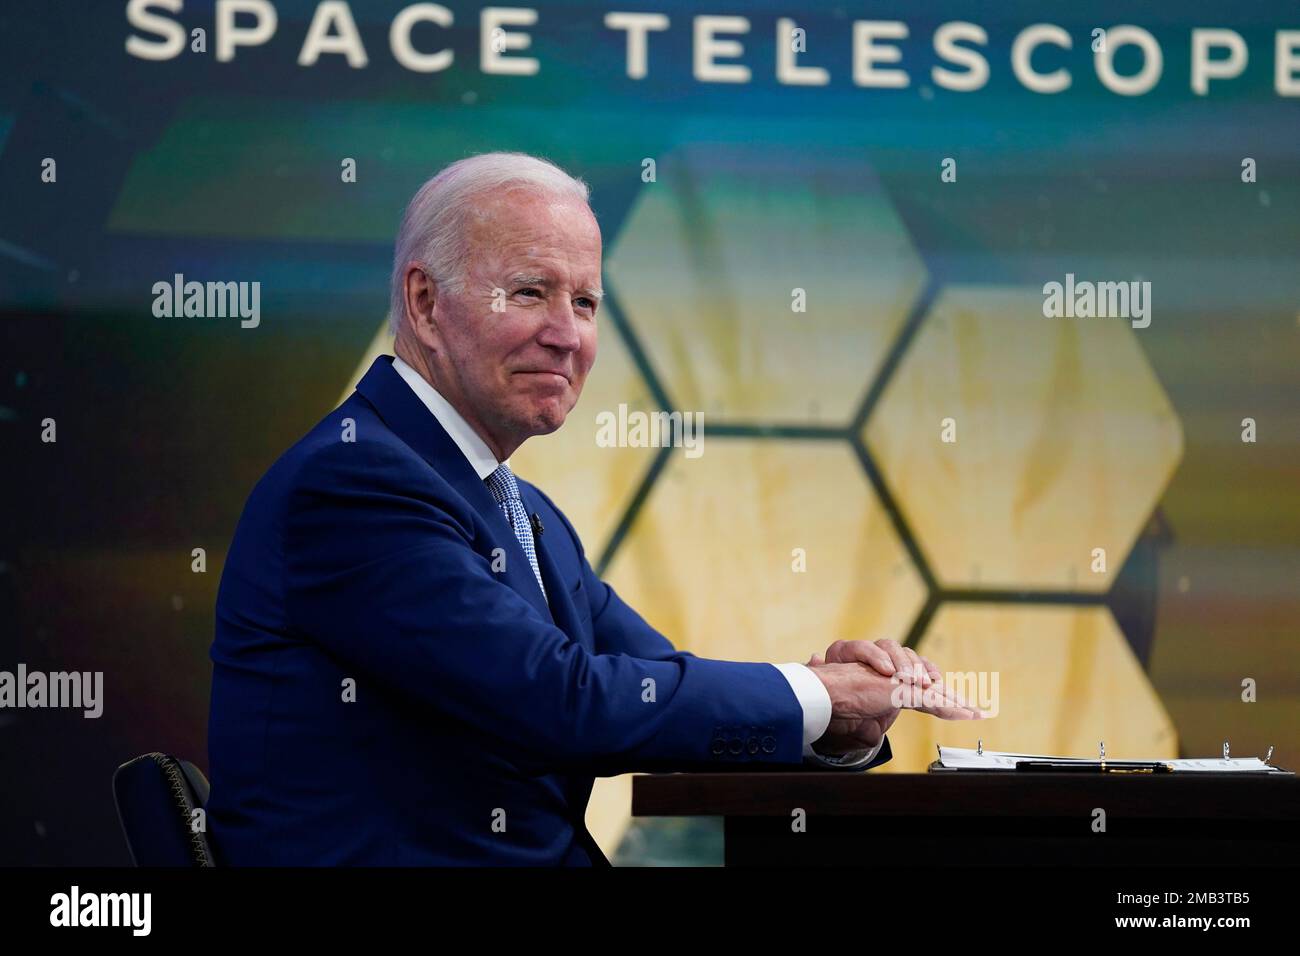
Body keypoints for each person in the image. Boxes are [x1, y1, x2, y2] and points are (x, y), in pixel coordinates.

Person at [206, 151, 982, 866]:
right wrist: (812, 694)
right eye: (531, 292)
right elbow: (559, 698)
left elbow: (646, 688)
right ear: (425, 303)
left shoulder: (521, 508)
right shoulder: (353, 482)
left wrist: (830, 720)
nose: (565, 335)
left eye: (584, 302)